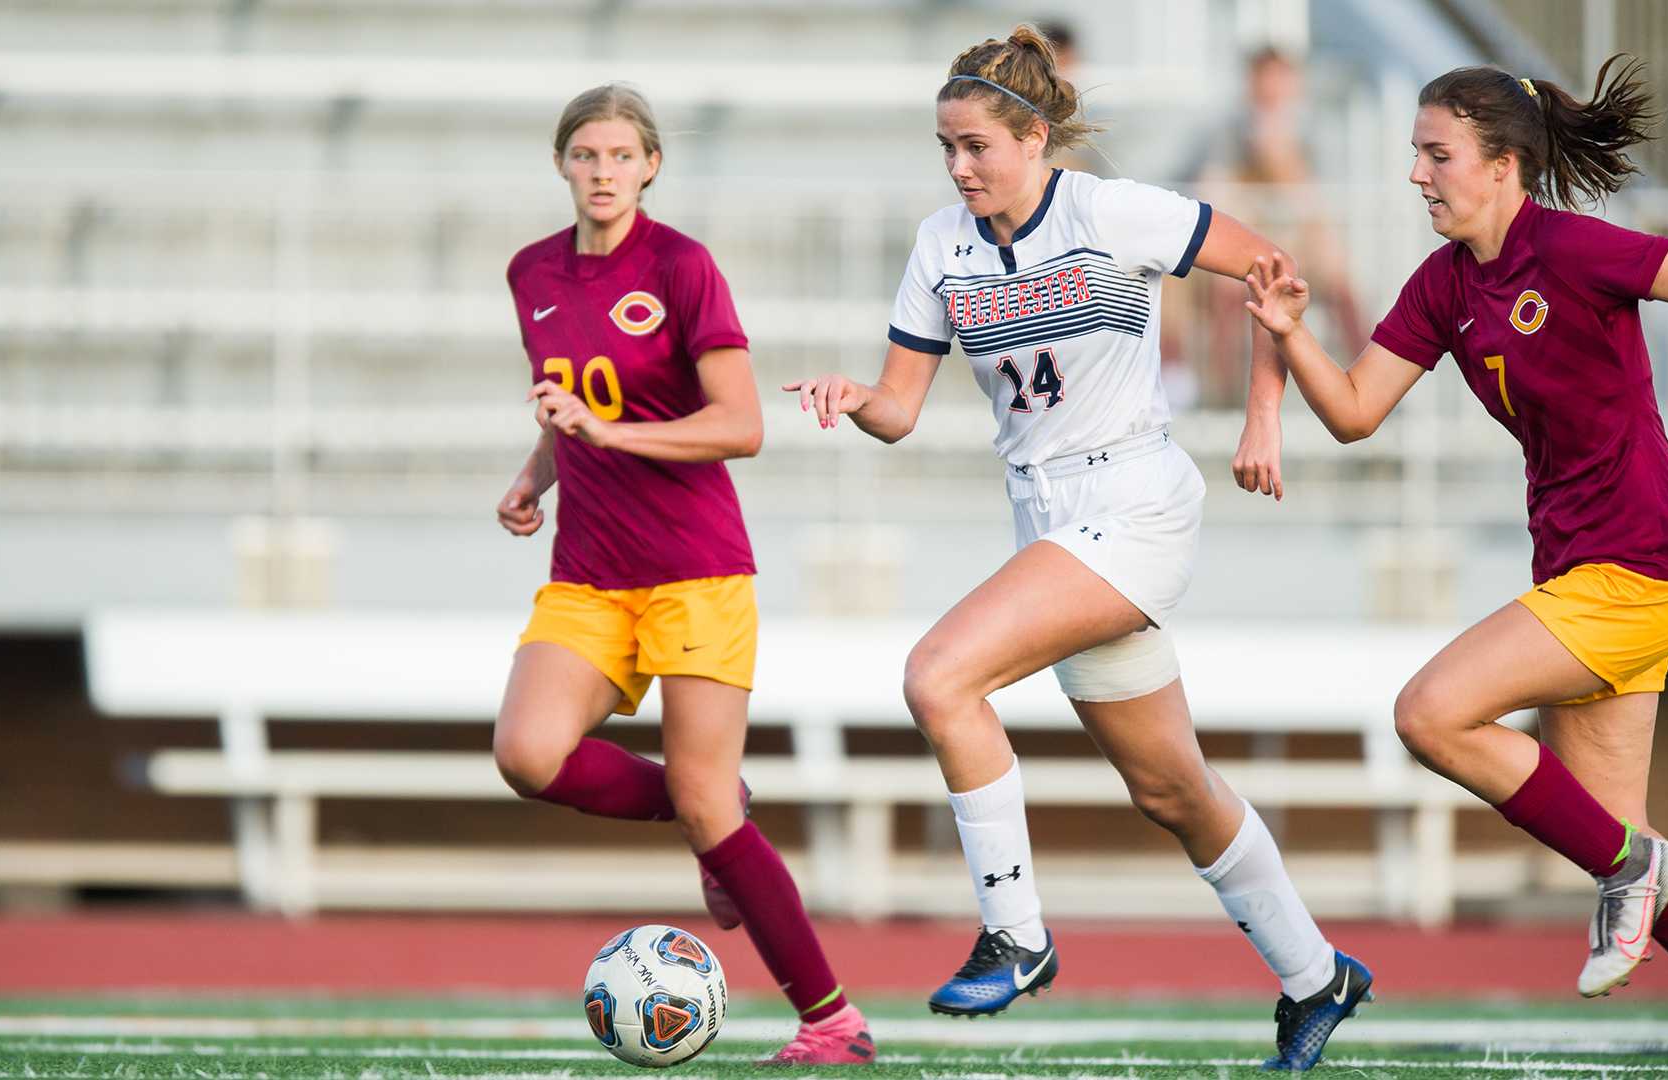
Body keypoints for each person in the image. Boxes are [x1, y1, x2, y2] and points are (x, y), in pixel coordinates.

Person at [783, 25, 1371, 1071]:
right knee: (1172, 790)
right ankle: (1317, 975)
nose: (959, 167)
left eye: (975, 146)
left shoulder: (1112, 210)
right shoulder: (940, 247)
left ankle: (1017, 936)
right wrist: (854, 398)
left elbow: (1273, 270)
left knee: (939, 678)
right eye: (945, 148)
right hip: (1048, 522)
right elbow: (901, 410)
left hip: (1136, 502)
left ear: (1035, 137)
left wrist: (1265, 413)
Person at [1242, 59, 1668, 1073]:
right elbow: (1358, 413)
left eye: (1436, 153)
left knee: (1431, 715)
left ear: (1505, 165)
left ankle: (1642, 877)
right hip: (1580, 571)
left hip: (1640, 565)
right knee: (1616, 842)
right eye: (1416, 153)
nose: (1417, 174)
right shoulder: (1445, 282)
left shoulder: (1571, 247)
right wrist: (1291, 336)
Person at [491, 83, 874, 1066]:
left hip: (695, 572)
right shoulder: (530, 270)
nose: (604, 172)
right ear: (562, 165)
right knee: (528, 754)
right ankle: (715, 806)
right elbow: (565, 401)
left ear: (652, 165)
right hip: (587, 573)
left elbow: (740, 426)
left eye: (622, 156)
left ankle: (831, 1020)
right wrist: (535, 475)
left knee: (703, 805)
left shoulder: (682, 266)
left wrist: (606, 435)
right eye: (587, 155)